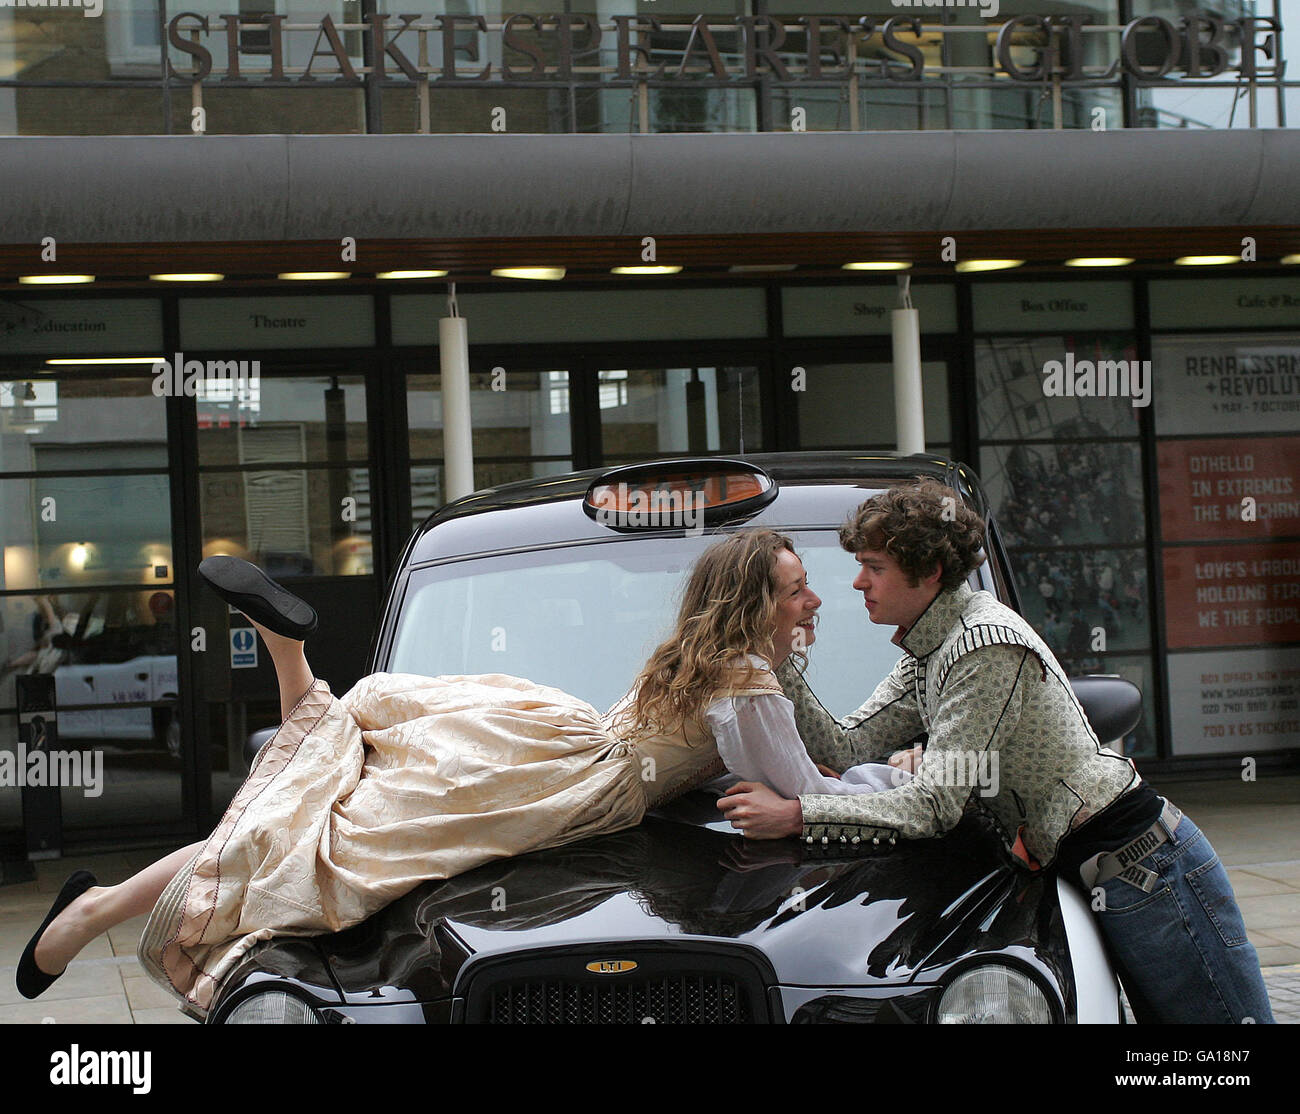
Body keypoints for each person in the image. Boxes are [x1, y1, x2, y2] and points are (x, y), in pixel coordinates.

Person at [17, 530, 911, 1018]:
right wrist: (902, 781)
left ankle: (289, 662)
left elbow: (777, 762)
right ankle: (96, 908)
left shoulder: (699, 658)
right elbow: (809, 792)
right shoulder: (748, 682)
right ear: (756, 603)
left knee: (316, 795)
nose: (815, 599)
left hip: (553, 731)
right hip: (565, 785)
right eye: (798, 587)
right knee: (331, 843)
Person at [717, 478, 1275, 1025]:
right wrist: (774, 647)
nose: (859, 582)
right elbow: (847, 744)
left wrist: (797, 815)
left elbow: (934, 805)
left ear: (929, 571)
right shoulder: (930, 646)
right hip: (1107, 874)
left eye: (876, 567)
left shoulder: (983, 645)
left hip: (1147, 871)